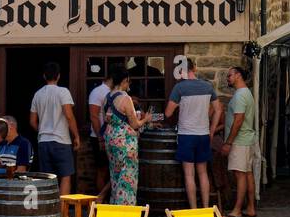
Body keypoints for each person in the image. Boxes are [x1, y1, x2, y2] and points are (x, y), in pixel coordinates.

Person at [165, 58, 222, 208]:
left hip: (186, 135)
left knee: (189, 174)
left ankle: (194, 210)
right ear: (194, 68)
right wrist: (211, 130)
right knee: (203, 173)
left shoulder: (179, 88)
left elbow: (168, 113)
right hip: (203, 134)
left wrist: (179, 105)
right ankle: (205, 208)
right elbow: (218, 109)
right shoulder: (207, 86)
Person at [29, 62, 80, 196]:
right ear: (58, 76)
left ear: (44, 76)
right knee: (65, 176)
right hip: (61, 140)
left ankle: (49, 212)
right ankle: (62, 213)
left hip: (44, 141)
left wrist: (43, 130)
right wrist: (76, 136)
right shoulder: (63, 92)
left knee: (47, 179)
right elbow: (69, 116)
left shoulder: (37, 94)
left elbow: (32, 121)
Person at [102, 71, 153, 204]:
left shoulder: (107, 97)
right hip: (125, 142)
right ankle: (125, 212)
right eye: (128, 81)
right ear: (124, 81)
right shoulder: (125, 98)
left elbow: (104, 118)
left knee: (115, 176)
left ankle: (114, 208)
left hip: (110, 139)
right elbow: (135, 124)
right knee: (127, 178)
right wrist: (146, 119)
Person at [220, 64, 257, 217]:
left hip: (240, 141)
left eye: (229, 75)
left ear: (238, 76)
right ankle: (250, 207)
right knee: (248, 174)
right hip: (247, 139)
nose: (228, 79)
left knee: (240, 175)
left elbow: (238, 120)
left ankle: (237, 210)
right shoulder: (246, 93)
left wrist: (228, 142)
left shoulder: (241, 95)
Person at [88, 73, 113, 203]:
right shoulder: (98, 92)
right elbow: (93, 116)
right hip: (100, 136)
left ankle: (106, 201)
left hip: (112, 137)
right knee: (102, 170)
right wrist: (100, 138)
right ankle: (101, 203)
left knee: (112, 170)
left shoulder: (113, 92)